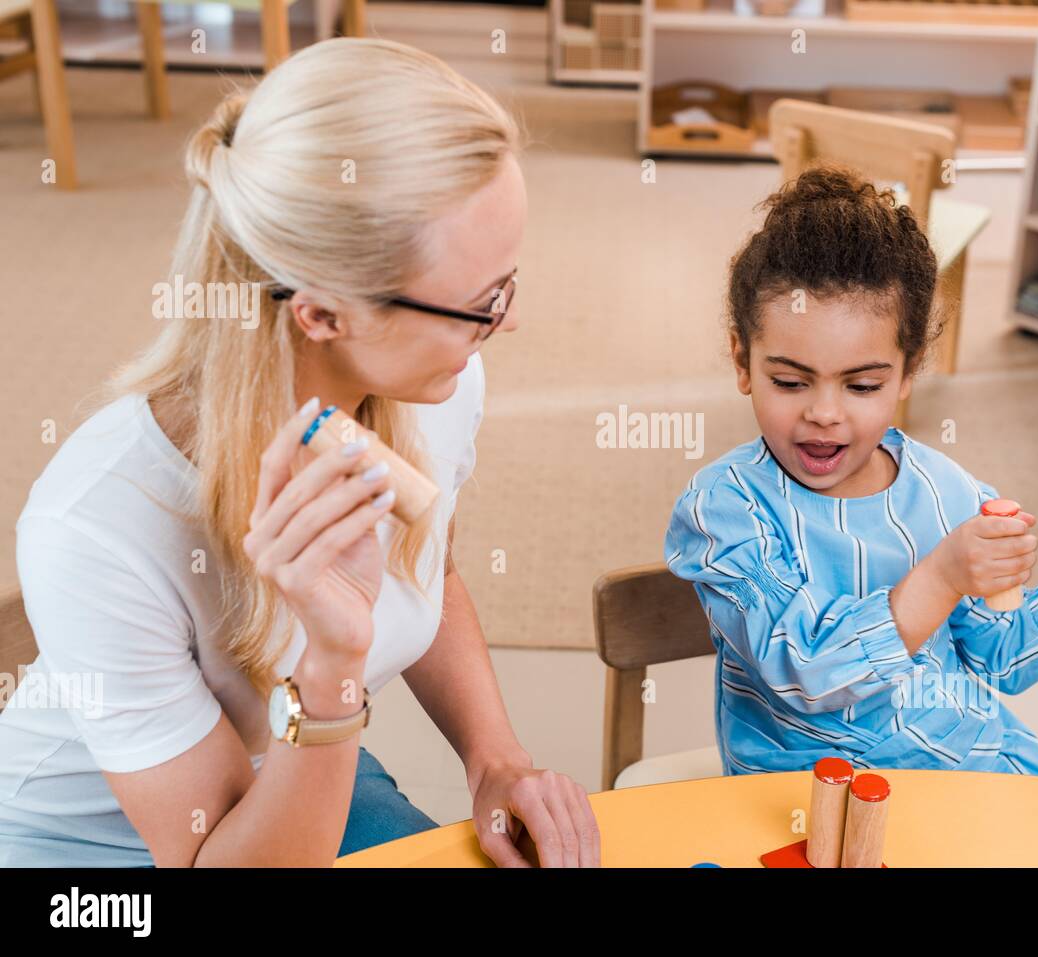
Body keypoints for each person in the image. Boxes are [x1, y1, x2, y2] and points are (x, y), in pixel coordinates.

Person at [0, 38, 599, 867]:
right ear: (319, 315)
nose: (508, 323)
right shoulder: (99, 523)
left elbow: (433, 572)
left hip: (305, 762)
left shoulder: (441, 381)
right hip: (100, 853)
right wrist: (332, 659)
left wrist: (495, 757)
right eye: (480, 303)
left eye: (506, 286)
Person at [663, 165, 1038, 776]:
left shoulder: (947, 491)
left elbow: (1005, 659)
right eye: (790, 381)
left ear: (908, 373)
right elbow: (806, 673)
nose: (824, 414)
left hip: (971, 768)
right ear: (742, 359)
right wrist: (942, 575)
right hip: (813, 799)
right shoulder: (724, 507)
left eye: (864, 384)